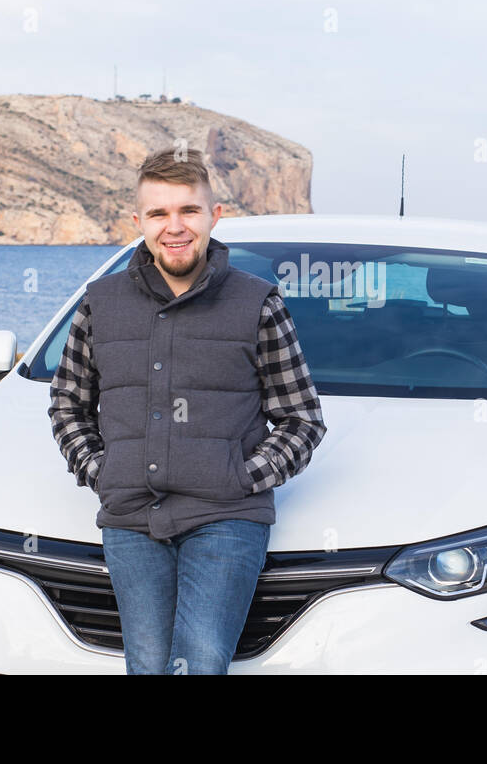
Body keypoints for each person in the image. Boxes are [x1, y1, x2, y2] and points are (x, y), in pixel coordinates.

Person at [47, 146, 326, 674]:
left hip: (226, 515)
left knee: (200, 661)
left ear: (213, 216)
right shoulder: (98, 303)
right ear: (138, 222)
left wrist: (243, 477)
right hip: (131, 517)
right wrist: (100, 471)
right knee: (147, 665)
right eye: (158, 213)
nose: (174, 227)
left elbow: (302, 417)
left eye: (188, 211)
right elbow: (67, 402)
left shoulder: (258, 303)